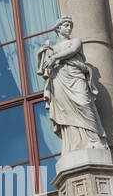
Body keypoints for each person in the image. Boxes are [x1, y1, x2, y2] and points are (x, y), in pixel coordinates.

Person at [35, 15, 106, 152]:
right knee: (66, 112)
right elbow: (43, 67)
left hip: (75, 76)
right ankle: (74, 145)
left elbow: (72, 51)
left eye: (70, 26)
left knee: (84, 103)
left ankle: (94, 139)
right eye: (66, 25)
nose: (69, 28)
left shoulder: (76, 41)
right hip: (59, 79)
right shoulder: (52, 47)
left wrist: (54, 56)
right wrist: (42, 54)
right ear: (58, 29)